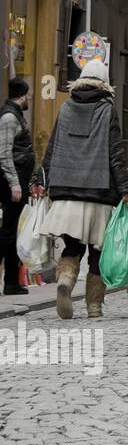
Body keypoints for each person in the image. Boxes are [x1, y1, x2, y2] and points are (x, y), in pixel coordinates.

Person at [34, 58, 128, 319]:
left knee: (72, 248)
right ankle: (93, 305)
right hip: (98, 193)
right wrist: (125, 188)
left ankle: (65, 282)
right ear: (104, 83)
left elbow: (53, 147)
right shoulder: (106, 109)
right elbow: (115, 153)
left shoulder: (65, 108)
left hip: (66, 193)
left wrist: (41, 180)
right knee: (98, 253)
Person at [0, 78, 36, 295]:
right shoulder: (9, 117)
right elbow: (4, 153)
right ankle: (10, 281)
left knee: (13, 231)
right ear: (22, 95)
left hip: (19, 180)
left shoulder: (15, 115)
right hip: (10, 182)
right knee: (8, 231)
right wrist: (14, 183)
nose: (30, 97)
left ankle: (12, 281)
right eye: (29, 94)